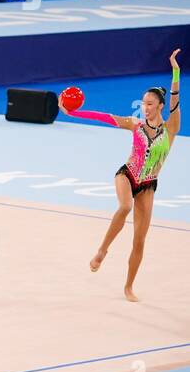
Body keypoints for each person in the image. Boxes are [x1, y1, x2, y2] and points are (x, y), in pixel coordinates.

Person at [61, 50, 180, 301]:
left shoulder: (171, 128)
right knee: (125, 206)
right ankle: (102, 251)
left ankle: (128, 287)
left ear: (160, 105)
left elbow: (176, 102)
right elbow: (103, 117)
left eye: (150, 104)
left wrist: (176, 71)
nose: (145, 108)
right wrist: (73, 114)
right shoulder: (134, 124)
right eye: (143, 103)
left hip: (148, 185)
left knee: (139, 241)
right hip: (127, 175)